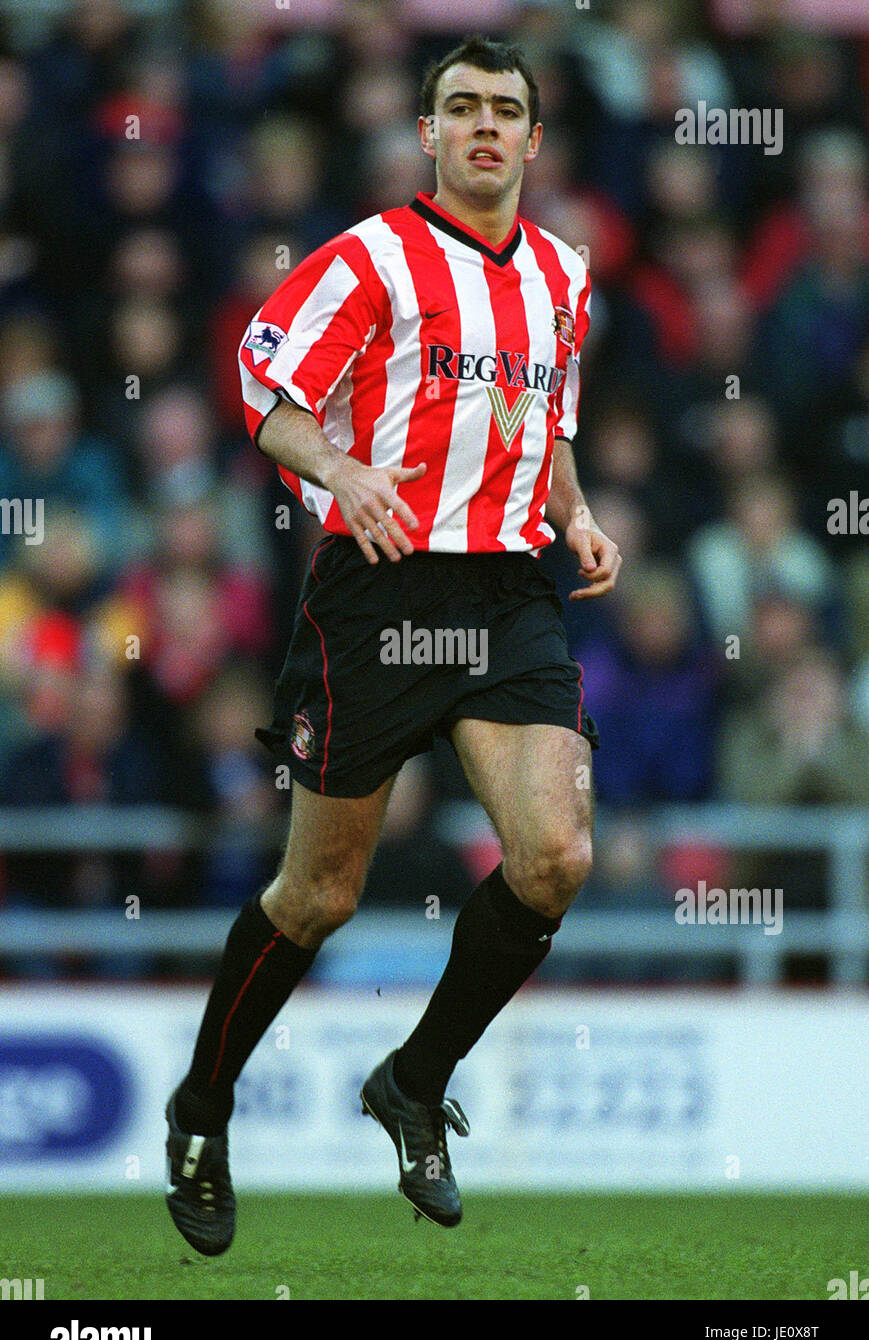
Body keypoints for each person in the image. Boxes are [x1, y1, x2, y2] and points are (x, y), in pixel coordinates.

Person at [164, 34, 621, 1254]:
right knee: (318, 894)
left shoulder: (564, 277)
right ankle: (203, 1107)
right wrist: (339, 465)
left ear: (533, 137)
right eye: (459, 107)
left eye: (504, 110)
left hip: (510, 595)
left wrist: (574, 515)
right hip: (375, 597)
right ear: (426, 133)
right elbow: (268, 394)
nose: (482, 126)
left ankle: (412, 1080)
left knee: (557, 855)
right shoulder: (368, 257)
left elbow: (548, 425)